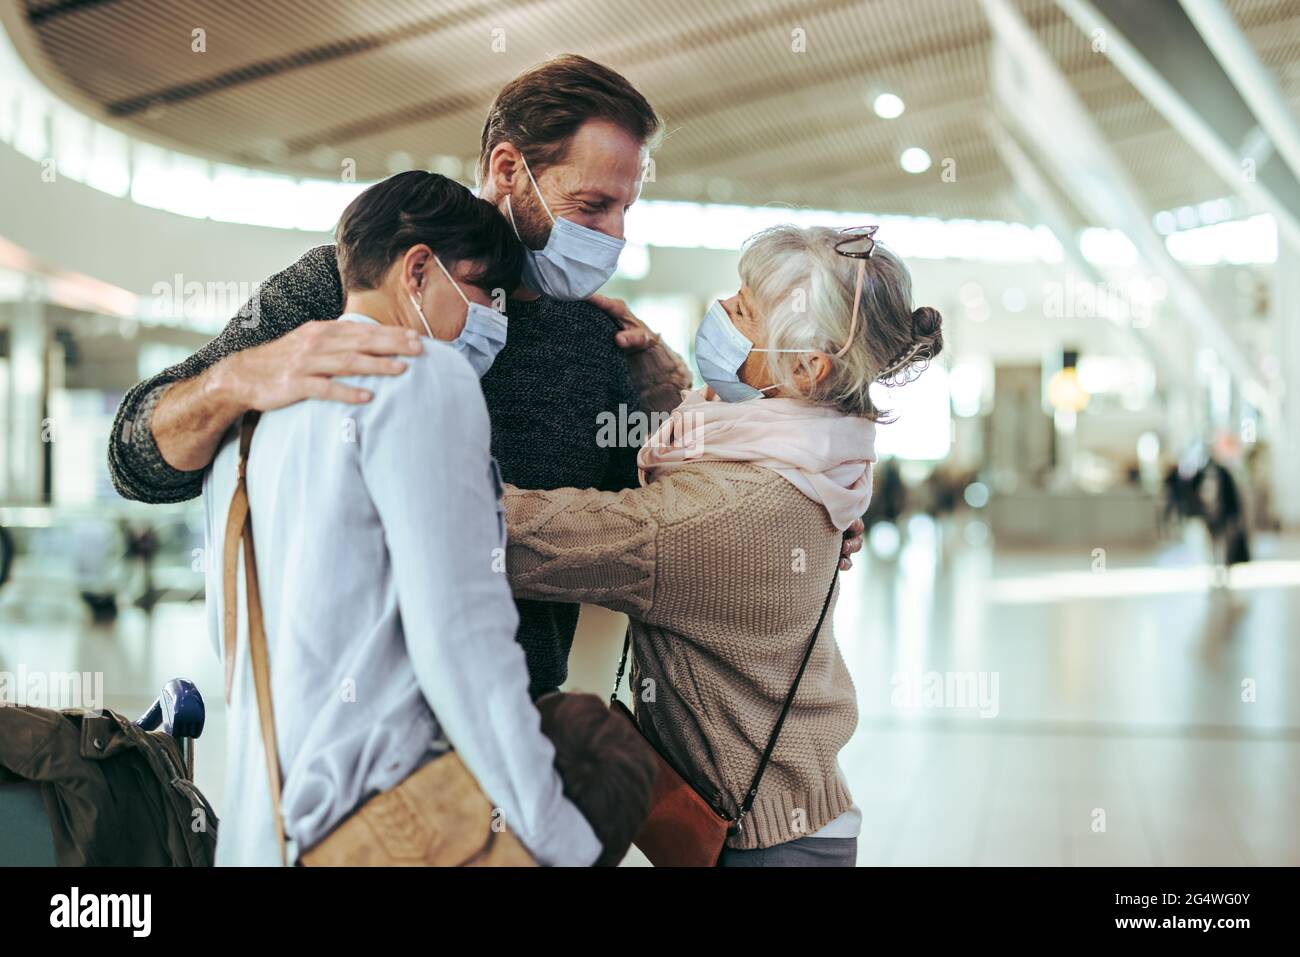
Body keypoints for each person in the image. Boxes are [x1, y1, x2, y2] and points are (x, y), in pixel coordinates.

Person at [107, 53, 863, 697]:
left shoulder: (600, 339)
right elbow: (136, 459)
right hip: (339, 720)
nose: (613, 238)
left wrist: (786, 507)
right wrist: (236, 380)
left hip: (519, 724)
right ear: (509, 169)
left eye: (626, 210)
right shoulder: (342, 287)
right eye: (591, 206)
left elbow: (650, 531)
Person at [501, 224, 944, 866]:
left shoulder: (733, 509)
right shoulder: (821, 451)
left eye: (743, 310)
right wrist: (652, 362)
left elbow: (534, 539)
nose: (723, 312)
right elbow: (710, 431)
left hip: (759, 842)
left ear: (807, 366)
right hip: (795, 816)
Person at [203, 171, 603, 866]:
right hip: (389, 821)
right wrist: (553, 834)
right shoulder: (419, 375)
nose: (495, 326)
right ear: (418, 270)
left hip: (270, 827)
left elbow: (231, 636)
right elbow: (464, 638)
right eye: (484, 295)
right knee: (602, 742)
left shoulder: (256, 415)